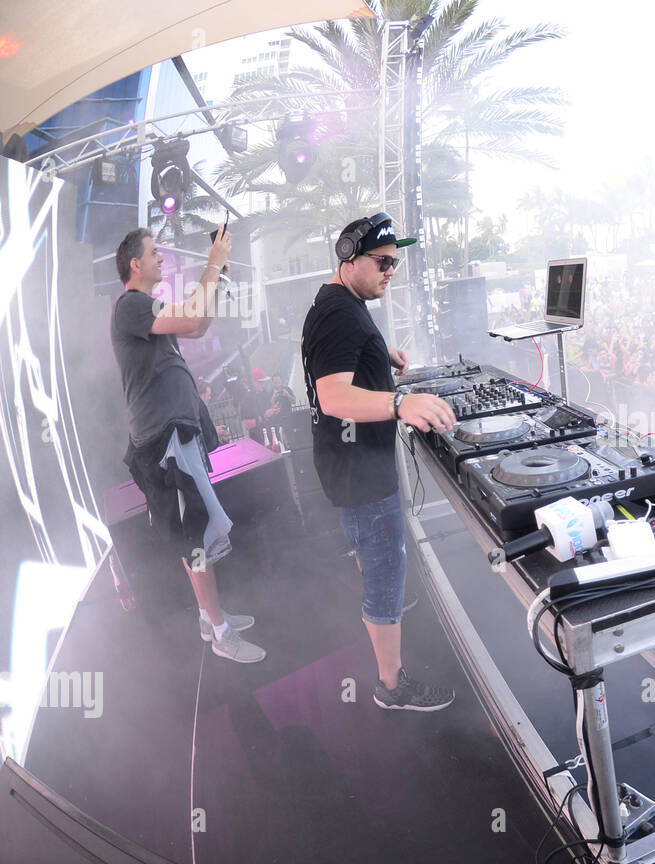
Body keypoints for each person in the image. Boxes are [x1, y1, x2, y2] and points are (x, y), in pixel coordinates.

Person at [301, 213, 458, 711]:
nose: (392, 271)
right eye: (383, 262)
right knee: (387, 565)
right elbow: (332, 397)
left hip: (351, 466)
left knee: (379, 556)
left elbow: (336, 358)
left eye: (396, 263)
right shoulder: (339, 313)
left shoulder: (342, 304)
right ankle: (391, 687)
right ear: (349, 256)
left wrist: (376, 353)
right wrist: (398, 404)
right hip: (360, 474)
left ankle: (382, 595)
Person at [110, 225, 266, 663]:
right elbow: (195, 320)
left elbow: (198, 327)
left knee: (189, 528)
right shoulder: (132, 306)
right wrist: (212, 263)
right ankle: (219, 633)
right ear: (135, 264)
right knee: (195, 533)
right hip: (163, 440)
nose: (161, 259)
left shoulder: (145, 308)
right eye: (155, 253)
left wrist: (216, 279)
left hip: (172, 434)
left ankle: (208, 616)